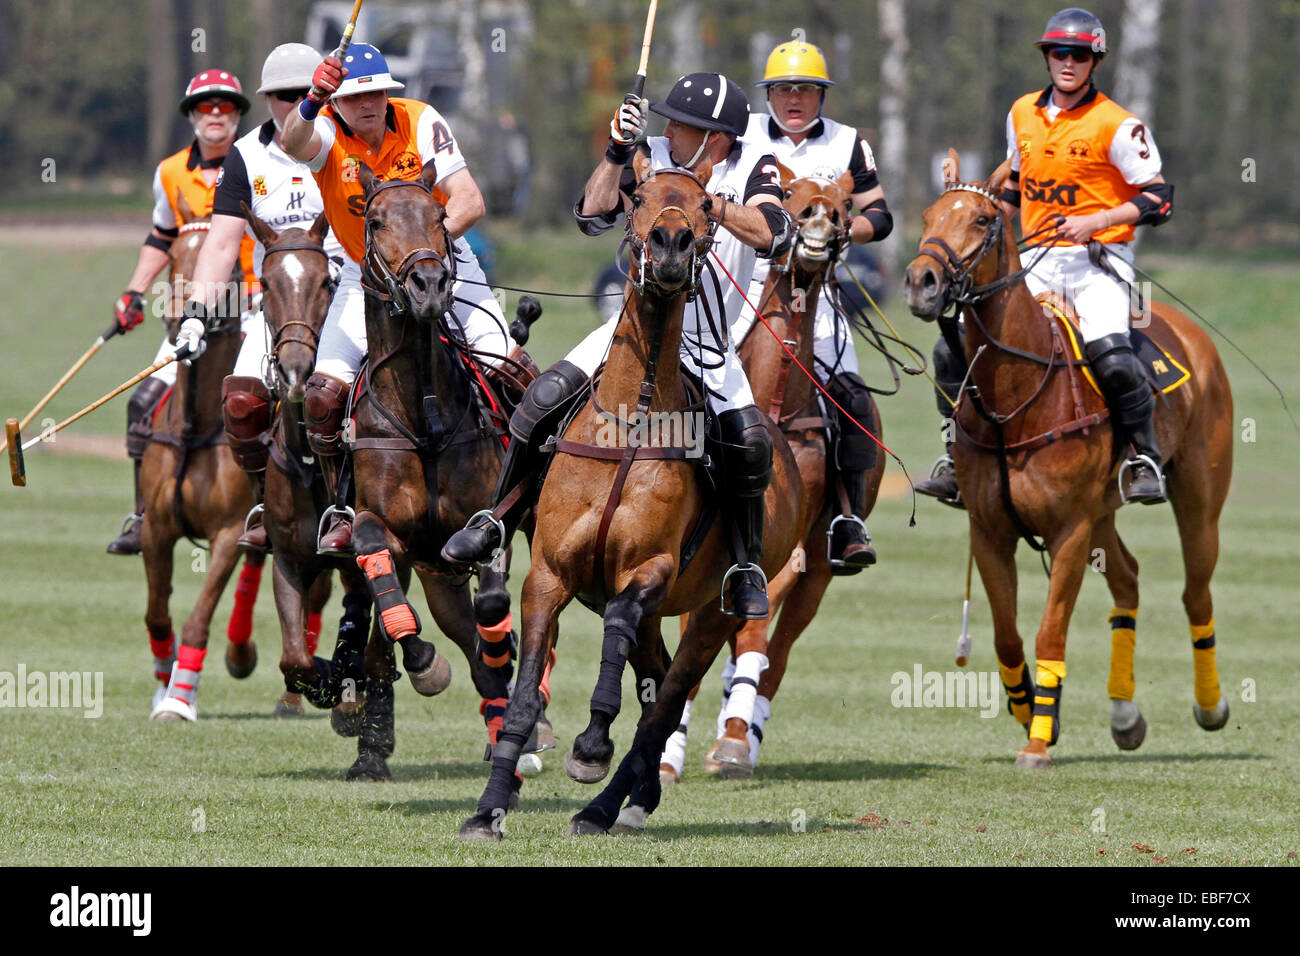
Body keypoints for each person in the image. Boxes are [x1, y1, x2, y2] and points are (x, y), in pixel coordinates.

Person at [443, 72, 796, 620]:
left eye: (680, 124)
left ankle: (745, 565)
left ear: (714, 138)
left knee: (750, 445)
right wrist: (614, 151)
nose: (668, 130)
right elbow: (590, 216)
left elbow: (775, 231)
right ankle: (497, 520)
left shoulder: (754, 164)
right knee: (540, 398)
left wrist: (708, 204)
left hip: (707, 343)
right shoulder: (648, 154)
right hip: (629, 331)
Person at [915, 7, 1174, 507]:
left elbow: (1161, 199)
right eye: (1060, 53)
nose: (1068, 62)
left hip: (1100, 259)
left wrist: (1096, 221)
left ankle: (1143, 455)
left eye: (1079, 54)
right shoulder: (1021, 113)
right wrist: (969, 210)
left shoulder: (1118, 124)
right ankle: (956, 452)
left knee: (1113, 358)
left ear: (1094, 60)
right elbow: (1014, 189)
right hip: (1036, 259)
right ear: (1047, 58)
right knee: (954, 350)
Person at [272, 42, 510, 555]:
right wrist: (313, 97)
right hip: (371, 278)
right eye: (356, 96)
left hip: (444, 263)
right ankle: (343, 504)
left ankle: (519, 492)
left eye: (378, 92)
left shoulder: (422, 120)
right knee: (321, 397)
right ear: (337, 102)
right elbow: (291, 140)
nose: (369, 104)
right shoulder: (327, 135)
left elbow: (469, 199)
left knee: (511, 370)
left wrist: (424, 252)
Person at [176, 43, 347, 554]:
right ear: (268, 98)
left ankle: (352, 502)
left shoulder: (340, 139)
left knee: (339, 398)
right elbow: (223, 242)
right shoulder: (246, 155)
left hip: (345, 289)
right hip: (276, 301)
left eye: (304, 92)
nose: (294, 103)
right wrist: (196, 312)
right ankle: (262, 501)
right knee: (242, 401)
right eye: (283, 95)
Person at [743, 40, 894, 570]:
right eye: (783, 89)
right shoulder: (743, 136)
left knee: (852, 400)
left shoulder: (849, 144)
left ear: (821, 95)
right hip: (746, 284)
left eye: (805, 89)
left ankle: (847, 517)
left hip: (819, 296)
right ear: (769, 94)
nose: (794, 99)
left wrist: (840, 228)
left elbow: (881, 215)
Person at [107, 69, 258, 554]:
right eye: (206, 106)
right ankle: (142, 513)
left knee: (272, 404)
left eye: (226, 105)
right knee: (142, 400)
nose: (216, 114)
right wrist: (134, 292)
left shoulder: (259, 163)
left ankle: (274, 506)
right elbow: (161, 235)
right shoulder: (171, 172)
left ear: (238, 114)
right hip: (187, 311)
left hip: (252, 304)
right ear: (192, 115)